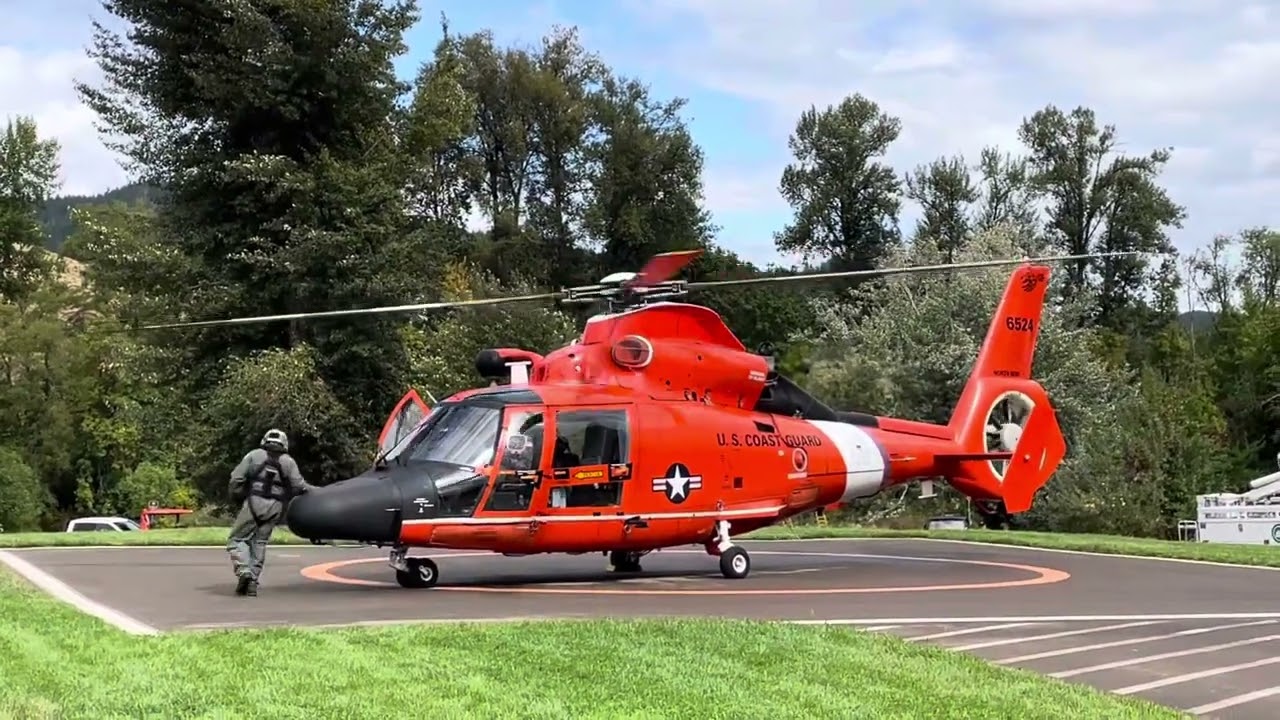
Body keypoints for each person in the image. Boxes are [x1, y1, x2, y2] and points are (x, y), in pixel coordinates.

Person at [226, 428, 315, 596]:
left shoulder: (253, 455)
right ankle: (252, 580)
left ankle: (244, 571)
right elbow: (299, 486)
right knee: (260, 543)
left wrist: (236, 495)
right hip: (275, 506)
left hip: (253, 503)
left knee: (236, 539)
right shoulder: (288, 462)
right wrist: (318, 491)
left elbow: (236, 478)